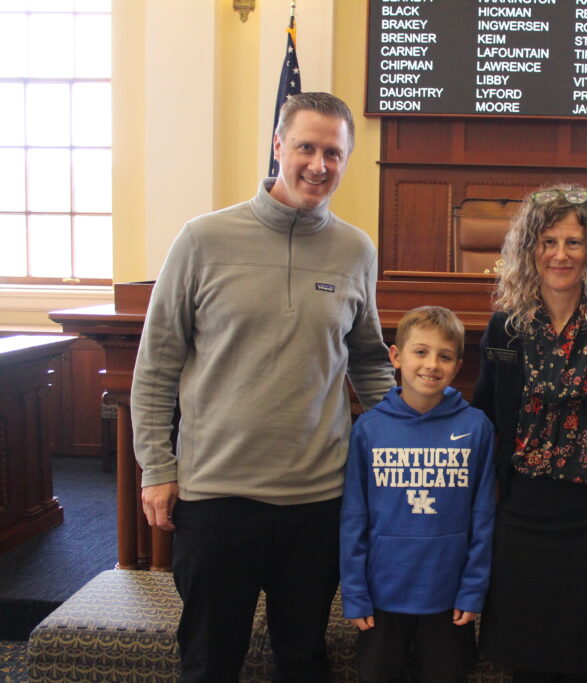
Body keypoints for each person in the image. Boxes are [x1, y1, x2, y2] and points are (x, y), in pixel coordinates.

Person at [131, 91, 394, 681]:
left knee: (302, 658)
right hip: (217, 496)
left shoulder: (356, 249)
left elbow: (370, 363)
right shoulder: (202, 239)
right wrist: (156, 467)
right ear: (278, 146)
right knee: (210, 661)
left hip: (317, 500)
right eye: (306, 147)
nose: (318, 165)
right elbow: (156, 366)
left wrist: (406, 440)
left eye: (333, 153)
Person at [472, 186, 587, 682]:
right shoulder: (507, 326)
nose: (560, 254)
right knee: (528, 663)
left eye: (574, 242)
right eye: (548, 241)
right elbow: (485, 415)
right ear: (530, 248)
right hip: (525, 519)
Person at [340, 305, 496, 683]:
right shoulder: (369, 429)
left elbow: (483, 518)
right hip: (382, 593)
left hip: (448, 595)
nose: (431, 364)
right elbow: (354, 518)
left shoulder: (477, 428)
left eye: (445, 356)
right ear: (396, 357)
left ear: (458, 366)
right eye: (421, 352)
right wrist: (355, 593)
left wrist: (473, 590)